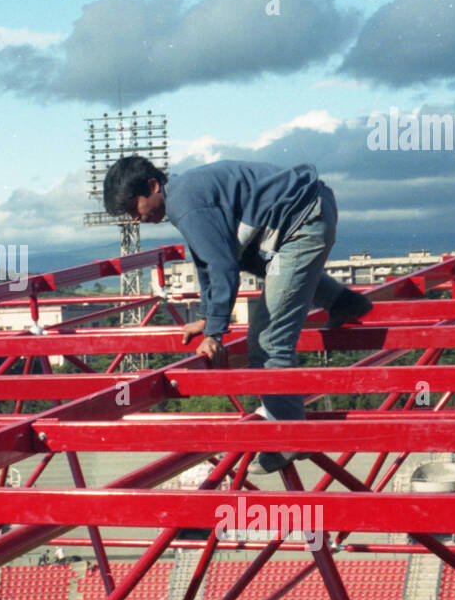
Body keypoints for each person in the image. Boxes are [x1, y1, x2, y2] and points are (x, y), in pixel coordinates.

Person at [103, 155, 372, 473]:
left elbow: (222, 267)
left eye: (134, 207)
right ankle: (341, 302)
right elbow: (209, 258)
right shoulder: (184, 195)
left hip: (301, 221)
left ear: (152, 185)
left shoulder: (185, 204)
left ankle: (290, 438)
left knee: (266, 342)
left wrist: (215, 333)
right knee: (248, 258)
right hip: (306, 209)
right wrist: (206, 315)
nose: (136, 218)